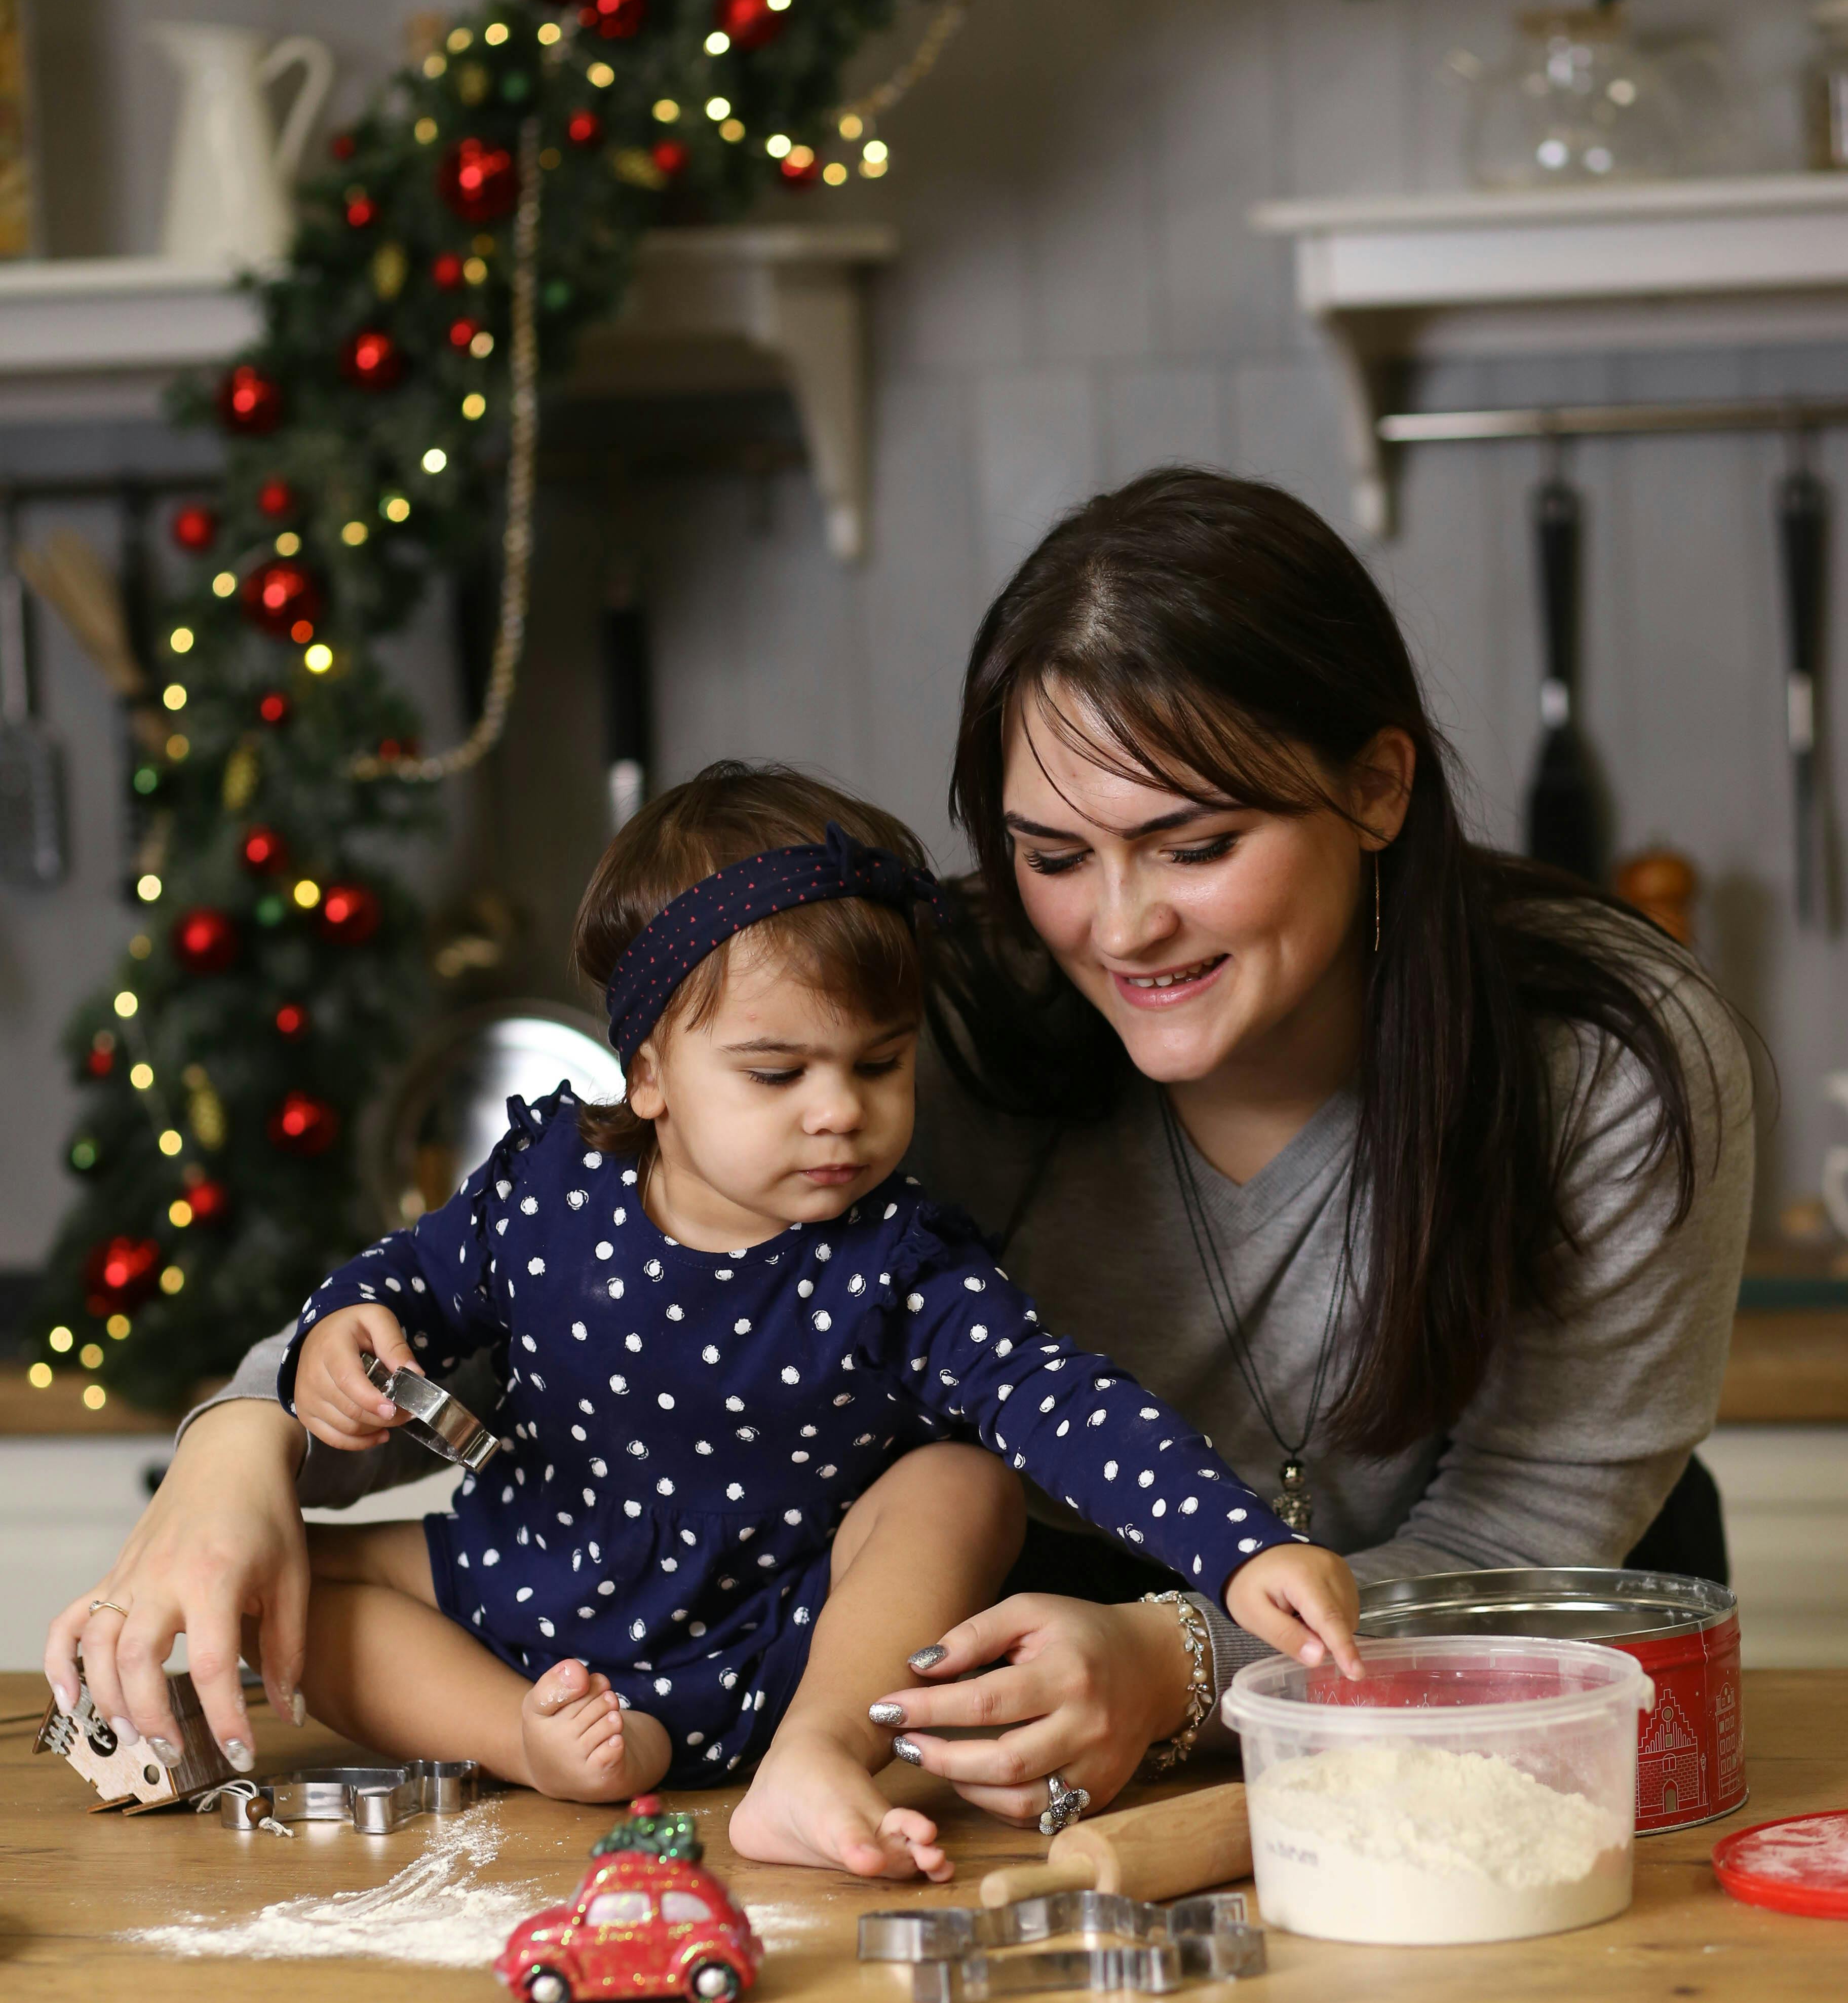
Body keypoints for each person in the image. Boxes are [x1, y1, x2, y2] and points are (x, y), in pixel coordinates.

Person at [50, 469, 1753, 1836]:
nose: (1123, 925)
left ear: (1375, 787)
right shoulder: (891, 1031)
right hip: (969, 1748)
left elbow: (1520, 1554)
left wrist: (1175, 1657)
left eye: (1195, 841)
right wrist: (239, 1443)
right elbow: (474, 1337)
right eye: (1049, 854)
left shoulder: (1603, 1068)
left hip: (1418, 1754)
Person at [144, 765, 1361, 1878]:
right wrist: (339, 1334)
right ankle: (527, 1746)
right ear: (649, 1073)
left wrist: (1238, 1551)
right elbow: (396, 1277)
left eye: (879, 1067)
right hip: (528, 1595)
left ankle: (817, 1760)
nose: (841, 1114)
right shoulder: (544, 1190)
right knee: (293, 1585)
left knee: (963, 1481)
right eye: (778, 1075)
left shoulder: (902, 1262)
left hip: (778, 1644)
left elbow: (1060, 1401)